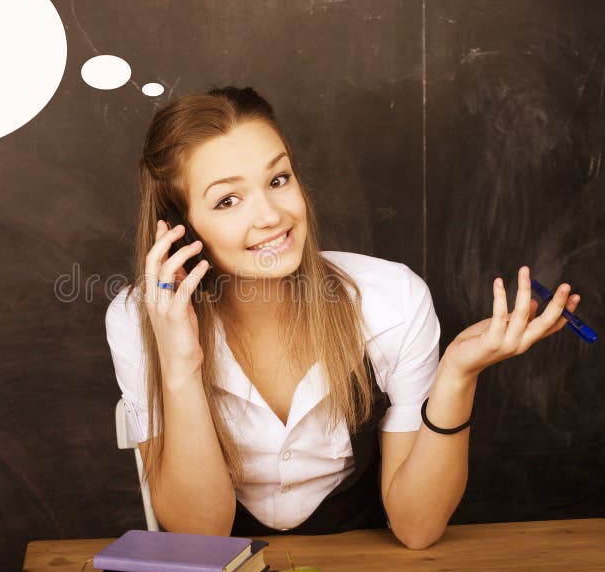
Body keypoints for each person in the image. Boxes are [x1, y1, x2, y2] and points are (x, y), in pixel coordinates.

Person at [104, 86, 581, 548]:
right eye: (228, 200)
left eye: (278, 179)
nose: (270, 216)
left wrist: (457, 373)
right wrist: (181, 368)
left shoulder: (392, 299)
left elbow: (417, 528)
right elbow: (199, 536)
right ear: (181, 230)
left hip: (370, 569)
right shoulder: (138, 320)